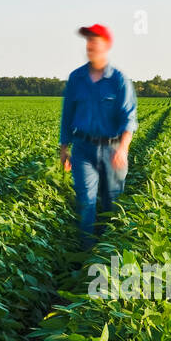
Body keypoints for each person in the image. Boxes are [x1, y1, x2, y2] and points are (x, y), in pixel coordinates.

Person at [58, 24, 138, 250]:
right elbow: (67, 115)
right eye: (88, 41)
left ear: (107, 46)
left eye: (95, 41)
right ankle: (87, 255)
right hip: (83, 148)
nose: (90, 45)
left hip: (113, 149)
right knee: (86, 202)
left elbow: (129, 119)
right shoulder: (76, 78)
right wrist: (64, 148)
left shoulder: (119, 80)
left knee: (112, 204)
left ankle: (108, 254)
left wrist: (123, 149)